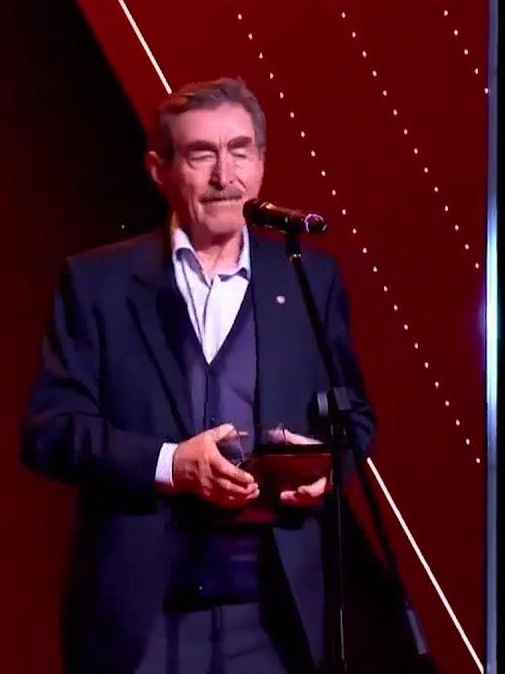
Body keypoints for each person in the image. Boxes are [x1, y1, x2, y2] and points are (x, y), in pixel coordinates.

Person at [21, 77, 378, 673]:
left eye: (240, 151)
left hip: (274, 620)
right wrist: (170, 465)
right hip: (143, 619)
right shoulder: (98, 284)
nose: (224, 175)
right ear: (159, 170)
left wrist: (320, 469)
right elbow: (51, 431)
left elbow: (354, 419)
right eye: (201, 154)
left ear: (261, 164)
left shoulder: (307, 278)